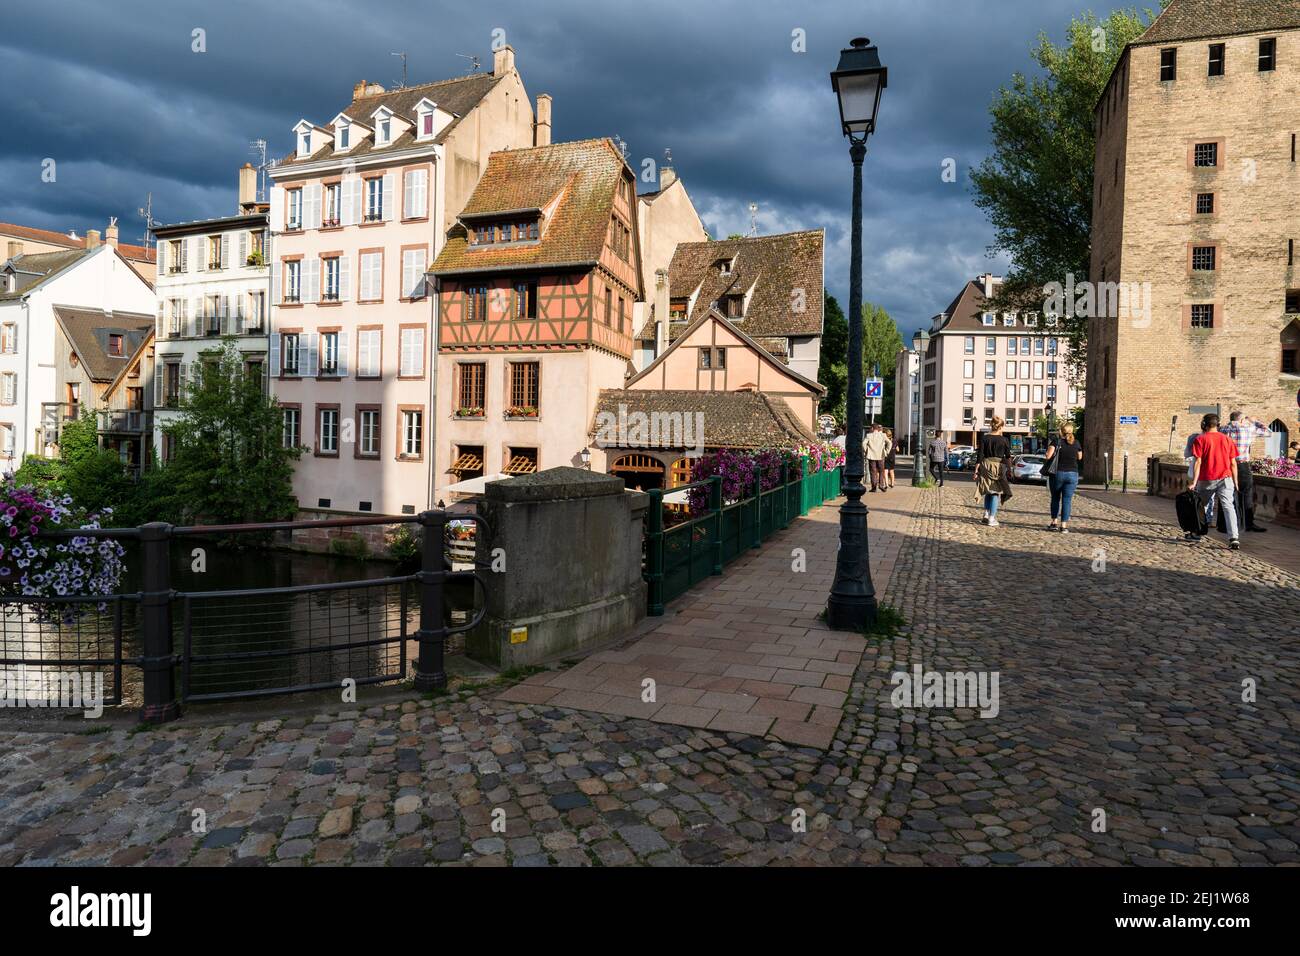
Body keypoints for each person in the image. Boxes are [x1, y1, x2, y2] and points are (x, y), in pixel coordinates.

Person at [1189, 412, 1240, 550]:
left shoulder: (1201, 439)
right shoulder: (1227, 440)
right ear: (1218, 425)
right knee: (1229, 507)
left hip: (1207, 478)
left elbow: (1198, 462)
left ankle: (1197, 533)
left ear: (1204, 424)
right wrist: (1236, 481)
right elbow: (1233, 463)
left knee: (1201, 506)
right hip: (1226, 478)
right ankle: (1234, 537)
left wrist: (1194, 482)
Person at [1221, 411, 1271, 534]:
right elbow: (1268, 432)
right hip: (1242, 465)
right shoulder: (1249, 428)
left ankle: (1223, 525)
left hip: (1226, 465)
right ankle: (1247, 523)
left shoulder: (1222, 429)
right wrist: (1254, 421)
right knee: (1246, 493)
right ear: (1242, 420)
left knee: (1226, 493)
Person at [1044, 422, 1083, 533]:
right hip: (1072, 474)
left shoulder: (1057, 442)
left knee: (1055, 498)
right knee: (1067, 500)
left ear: (1061, 431)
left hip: (1058, 474)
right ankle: (1064, 526)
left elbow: (1048, 455)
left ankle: (1054, 523)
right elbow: (1080, 457)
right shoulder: (1076, 443)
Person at [974, 417, 1013, 526]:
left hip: (986, 465)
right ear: (1000, 427)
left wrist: (976, 469)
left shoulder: (985, 438)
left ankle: (986, 514)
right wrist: (1010, 469)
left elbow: (980, 455)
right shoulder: (1004, 440)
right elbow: (1008, 456)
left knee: (988, 490)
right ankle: (992, 518)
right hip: (998, 467)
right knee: (995, 492)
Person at [864, 423, 891, 492]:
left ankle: (874, 487)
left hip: (871, 455)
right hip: (881, 455)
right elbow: (889, 443)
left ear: (872, 428)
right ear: (877, 428)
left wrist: (866, 450)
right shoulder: (883, 435)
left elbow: (863, 443)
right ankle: (881, 485)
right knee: (881, 471)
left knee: (873, 472)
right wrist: (887, 451)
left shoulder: (869, 435)